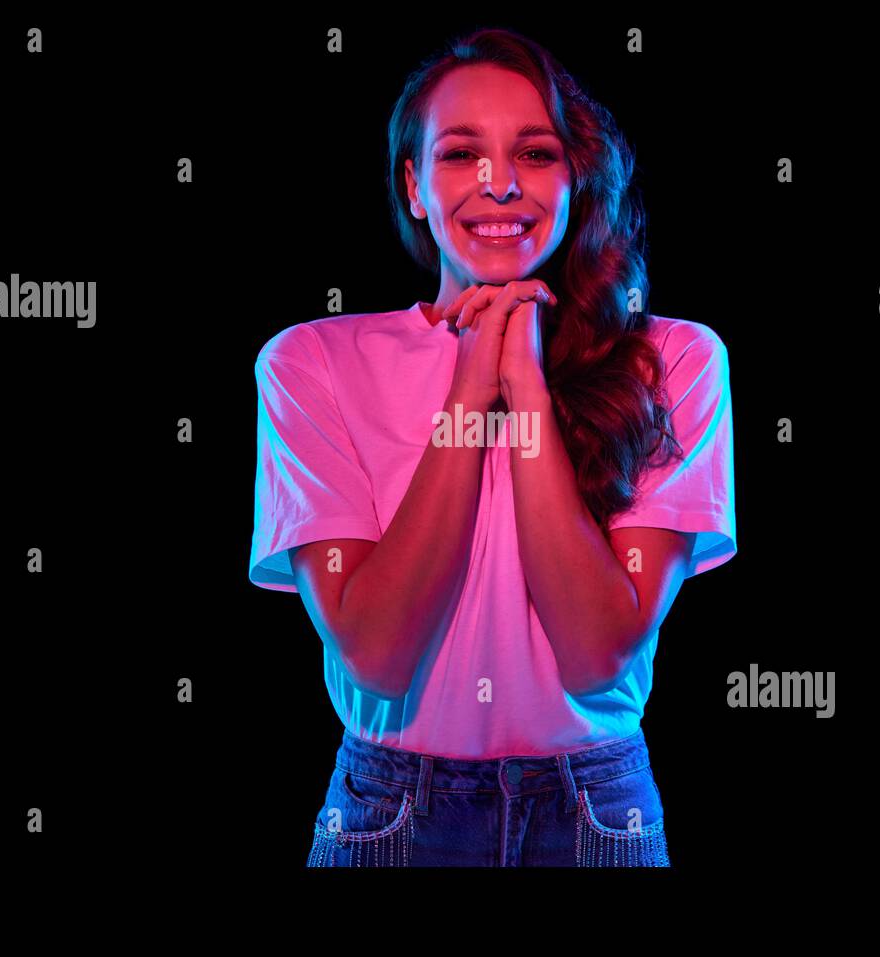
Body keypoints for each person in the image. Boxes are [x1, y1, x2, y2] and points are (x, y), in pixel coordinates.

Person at [250, 27, 736, 866]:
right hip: (390, 814)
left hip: (595, 811)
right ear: (413, 186)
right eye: (460, 153)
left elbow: (593, 655)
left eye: (536, 153)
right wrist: (472, 386)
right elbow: (375, 653)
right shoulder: (309, 362)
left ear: (574, 177)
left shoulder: (677, 359)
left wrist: (529, 385)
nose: (499, 183)